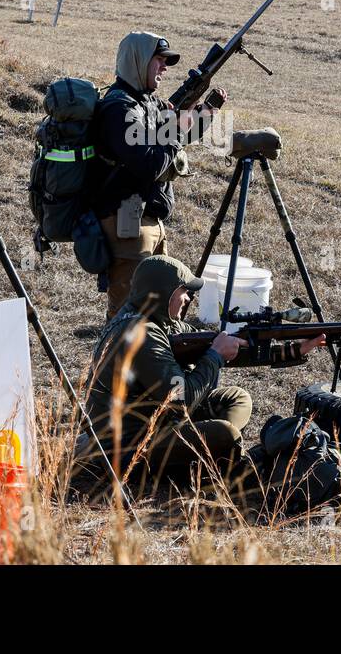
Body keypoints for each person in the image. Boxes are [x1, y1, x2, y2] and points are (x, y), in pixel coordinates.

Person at [79, 255, 326, 496]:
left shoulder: (157, 319)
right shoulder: (142, 334)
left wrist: (293, 349)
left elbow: (228, 347)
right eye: (182, 291)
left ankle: (203, 458)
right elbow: (181, 399)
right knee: (225, 433)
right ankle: (234, 474)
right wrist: (215, 357)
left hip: (155, 420)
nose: (188, 298)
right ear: (164, 292)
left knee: (237, 398)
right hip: (129, 451)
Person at [89, 32, 224, 317]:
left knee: (156, 313)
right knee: (127, 320)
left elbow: (178, 141)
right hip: (128, 227)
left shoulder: (147, 103)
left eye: (165, 61)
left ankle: (146, 362)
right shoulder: (119, 109)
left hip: (151, 222)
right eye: (158, 60)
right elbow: (150, 165)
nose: (164, 67)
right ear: (138, 61)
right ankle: (114, 363)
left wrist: (207, 111)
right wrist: (174, 129)